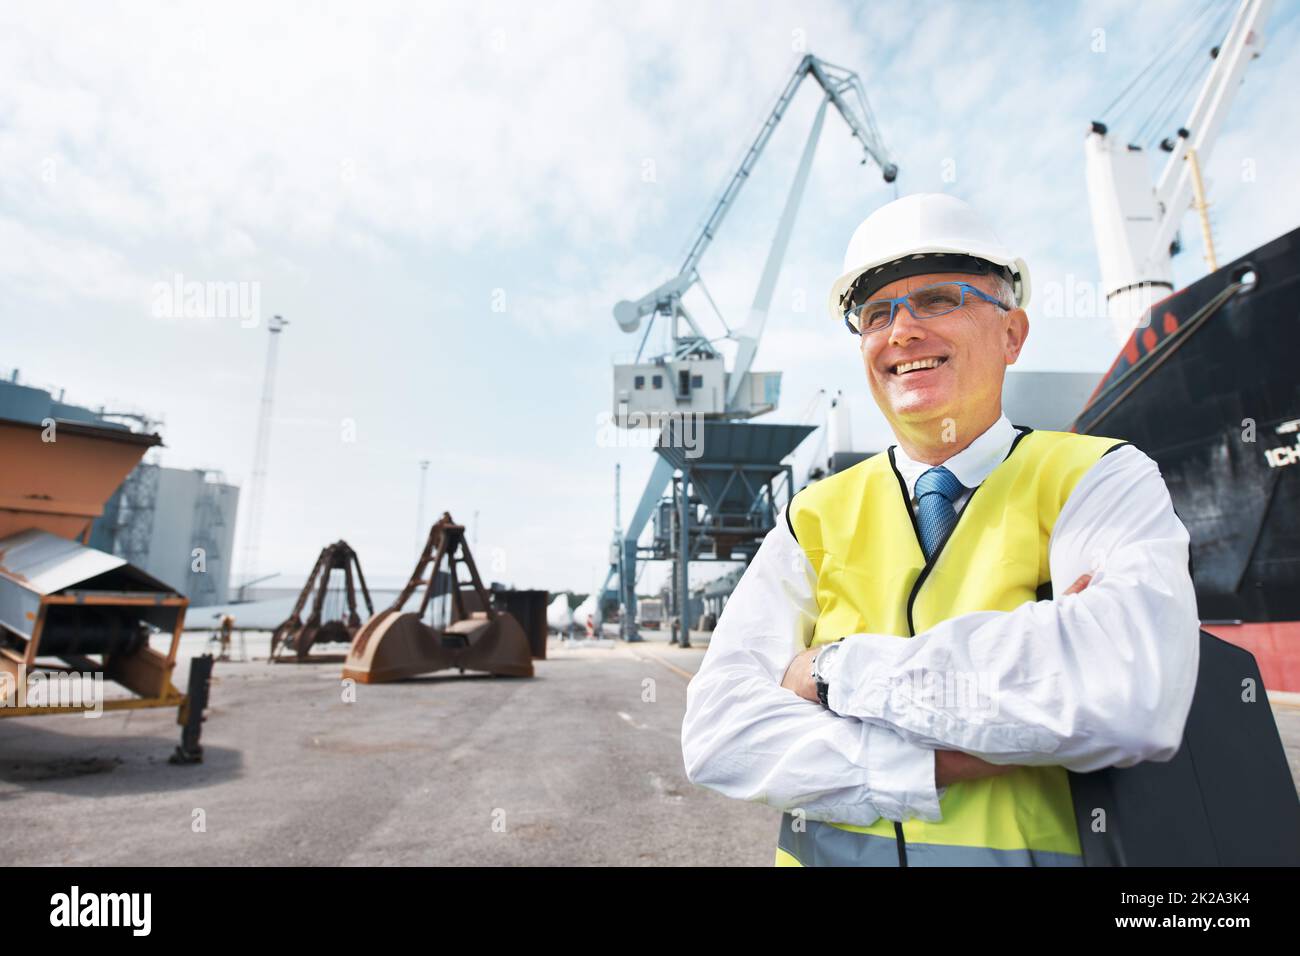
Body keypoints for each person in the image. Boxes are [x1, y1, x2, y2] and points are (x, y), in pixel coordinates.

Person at [679, 193, 1200, 867]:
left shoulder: (1097, 478)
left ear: (1012, 333)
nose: (901, 332)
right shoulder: (812, 517)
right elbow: (719, 735)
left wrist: (830, 672)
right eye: (875, 314)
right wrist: (940, 755)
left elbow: (1127, 692)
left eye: (937, 299)